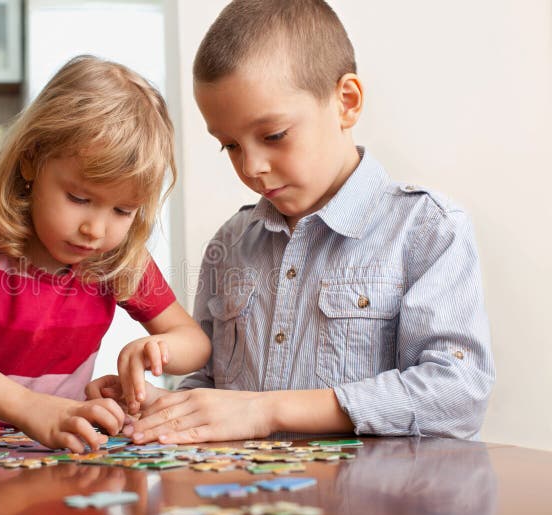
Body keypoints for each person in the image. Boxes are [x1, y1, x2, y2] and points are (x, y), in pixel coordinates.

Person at [87, 0, 495, 443]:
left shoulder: (427, 231)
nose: (252, 167)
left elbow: (457, 394)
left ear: (347, 102)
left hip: (375, 506)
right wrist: (157, 409)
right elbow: (211, 389)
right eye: (230, 146)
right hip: (247, 506)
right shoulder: (231, 243)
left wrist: (268, 411)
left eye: (273, 135)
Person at [0, 55, 211, 453]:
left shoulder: (115, 259)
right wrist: (29, 408)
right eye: (79, 198)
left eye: (122, 211)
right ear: (31, 159)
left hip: (55, 453)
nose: (95, 229)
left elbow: (195, 343)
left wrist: (156, 351)